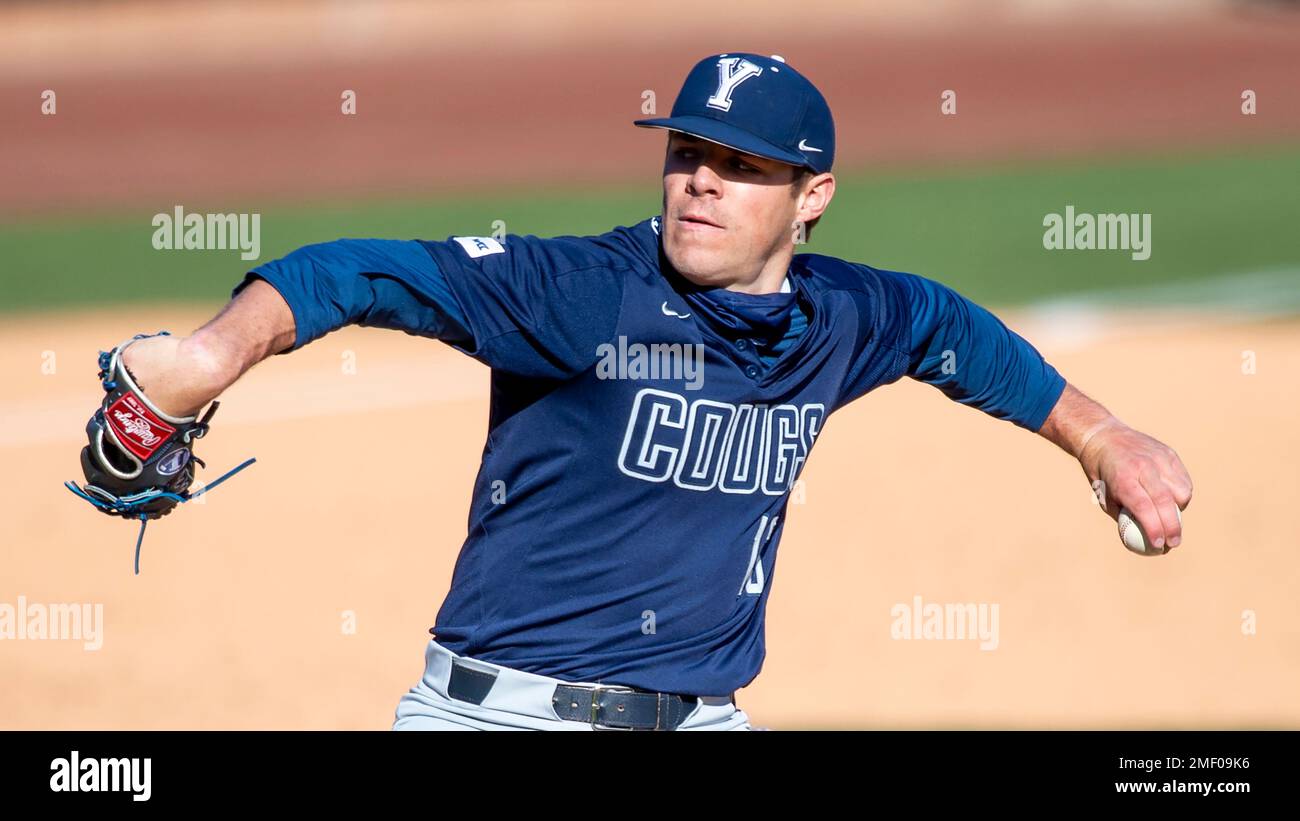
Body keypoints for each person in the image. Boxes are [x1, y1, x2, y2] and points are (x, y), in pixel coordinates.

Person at [94, 53, 1193, 730]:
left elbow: (953, 332)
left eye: (743, 165)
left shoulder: (843, 318)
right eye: (685, 150)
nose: (701, 179)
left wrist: (1102, 439)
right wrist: (209, 356)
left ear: (813, 197)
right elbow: (363, 270)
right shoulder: (582, 292)